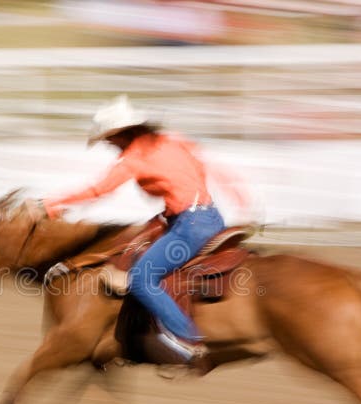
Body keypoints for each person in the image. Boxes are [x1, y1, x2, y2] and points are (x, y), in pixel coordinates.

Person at [32, 95, 249, 367]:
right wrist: (238, 198)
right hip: (209, 216)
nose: (110, 145)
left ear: (121, 133)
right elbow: (204, 167)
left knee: (142, 278)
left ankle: (187, 339)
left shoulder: (133, 158)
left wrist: (51, 204)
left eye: (110, 139)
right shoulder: (172, 140)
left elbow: (99, 190)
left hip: (190, 225)